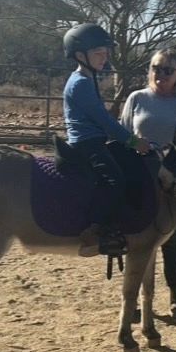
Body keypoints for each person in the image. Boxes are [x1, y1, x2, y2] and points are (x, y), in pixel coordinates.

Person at [62, 23, 150, 256]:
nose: (104, 57)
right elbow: (104, 121)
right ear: (80, 56)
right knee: (114, 180)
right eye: (98, 53)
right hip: (87, 142)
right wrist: (134, 142)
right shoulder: (81, 83)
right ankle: (93, 231)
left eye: (105, 52)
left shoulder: (86, 78)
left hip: (93, 139)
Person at [120, 48, 176, 321]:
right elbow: (123, 133)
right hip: (139, 176)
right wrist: (136, 147)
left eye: (167, 70)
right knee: (136, 239)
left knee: (171, 239)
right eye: (155, 68)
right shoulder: (136, 98)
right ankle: (135, 300)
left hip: (171, 179)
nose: (160, 74)